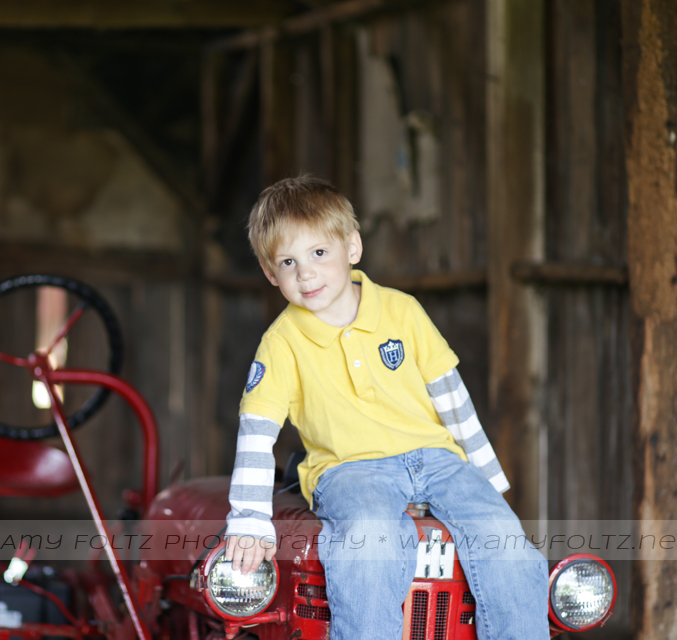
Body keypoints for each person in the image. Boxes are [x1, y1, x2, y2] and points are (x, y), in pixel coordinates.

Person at [224, 176, 549, 640]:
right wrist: (249, 521)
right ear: (269, 273)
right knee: (370, 541)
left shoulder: (403, 312)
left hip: (437, 459)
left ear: (352, 247)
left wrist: (489, 483)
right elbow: (257, 432)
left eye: (319, 254)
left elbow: (452, 398)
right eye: (288, 262)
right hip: (351, 470)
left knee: (503, 537)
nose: (307, 274)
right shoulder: (281, 343)